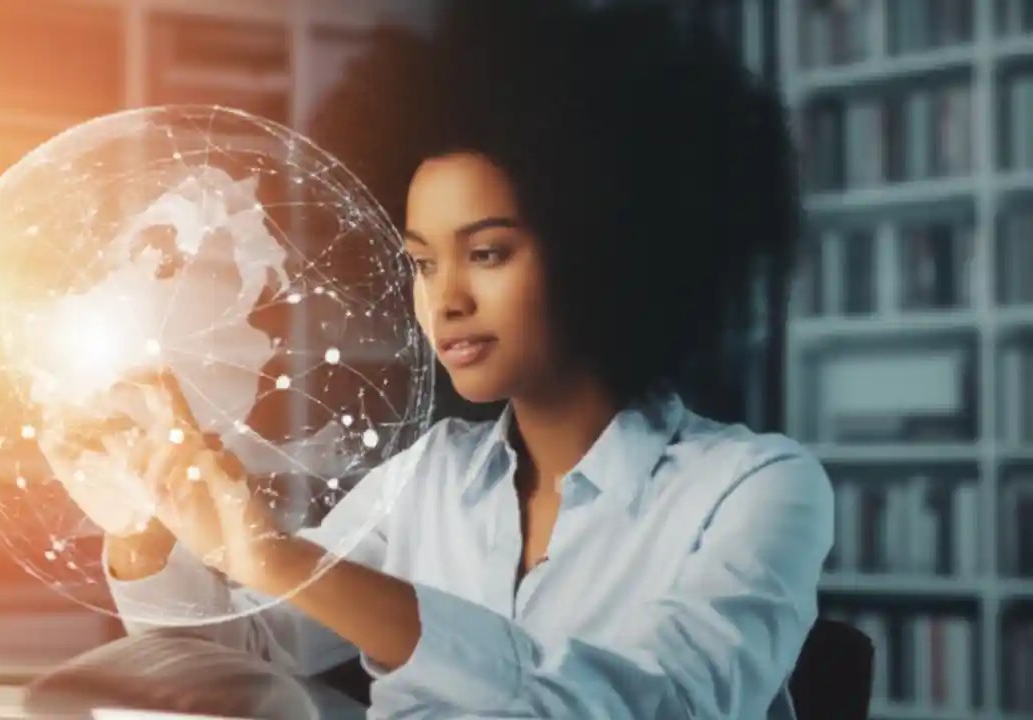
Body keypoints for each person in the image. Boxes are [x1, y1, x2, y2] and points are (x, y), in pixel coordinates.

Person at [58, 3, 833, 718]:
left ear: (601, 250)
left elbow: (665, 704)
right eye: (423, 264)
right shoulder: (425, 481)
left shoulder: (757, 489)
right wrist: (144, 533)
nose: (444, 301)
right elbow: (242, 662)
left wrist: (277, 557)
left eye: (487, 253)